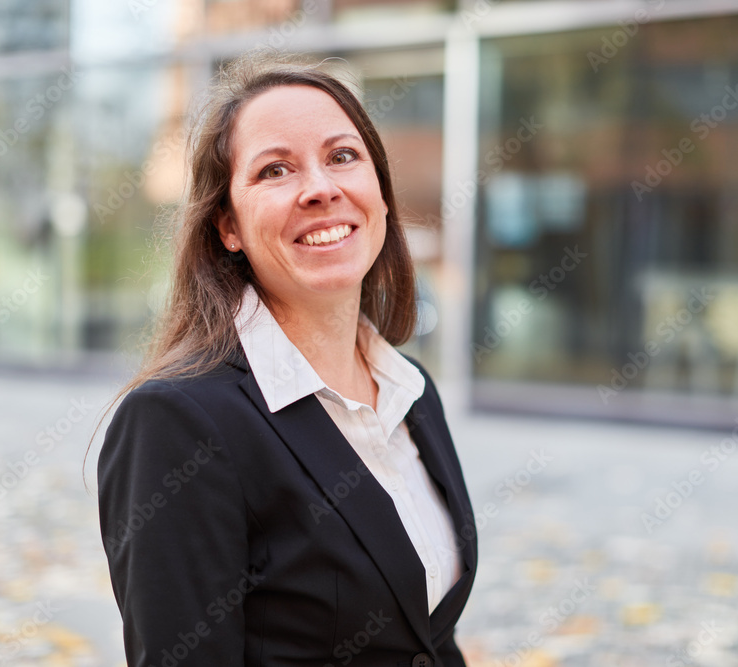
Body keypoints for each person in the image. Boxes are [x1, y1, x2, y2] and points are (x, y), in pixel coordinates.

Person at [95, 52, 477, 667]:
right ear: (228, 226)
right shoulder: (175, 423)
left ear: (380, 195)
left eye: (343, 156)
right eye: (275, 170)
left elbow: (430, 638)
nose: (321, 188)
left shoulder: (411, 390)